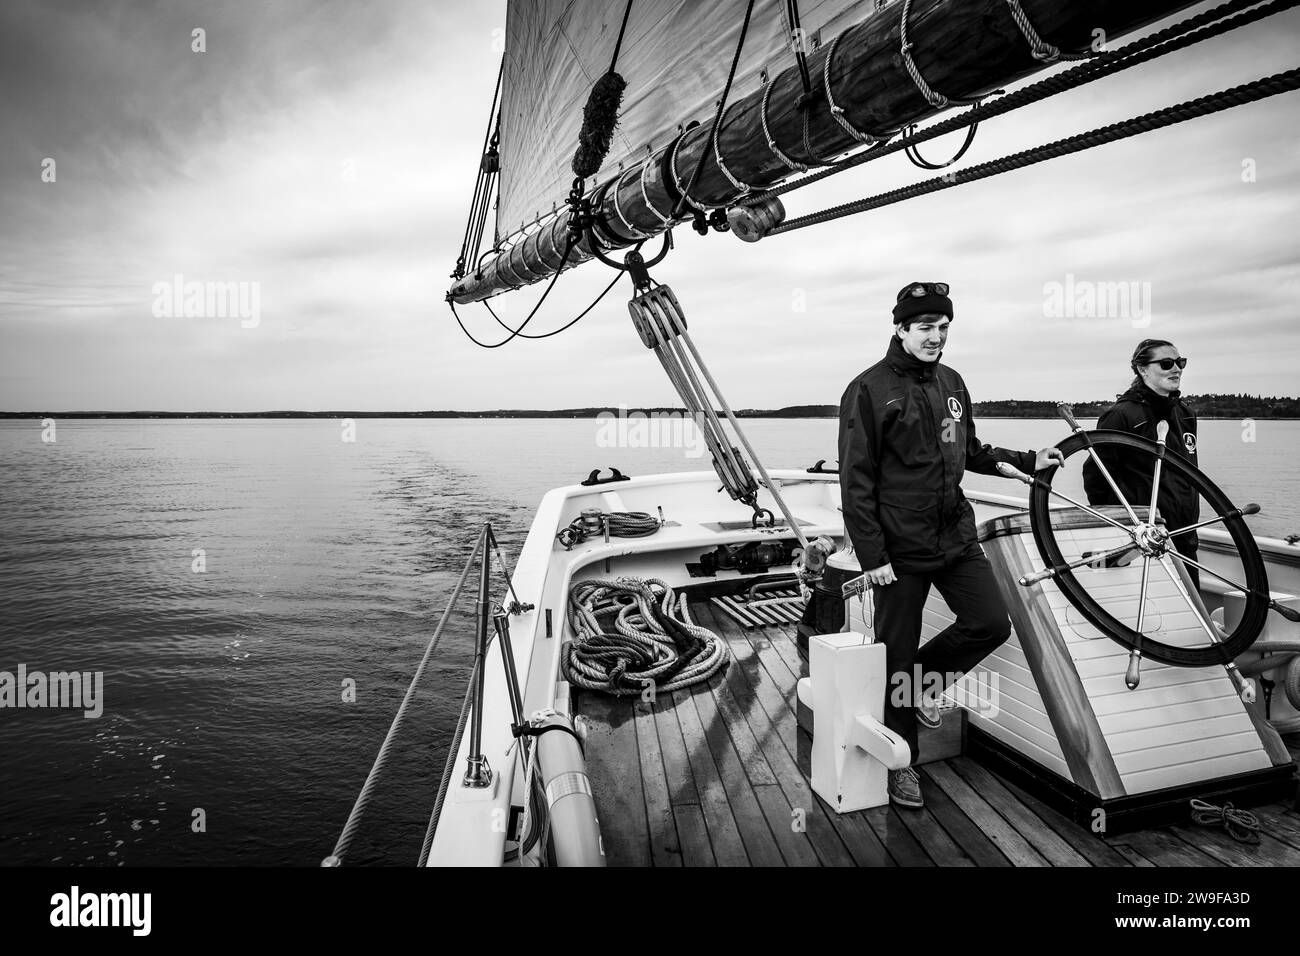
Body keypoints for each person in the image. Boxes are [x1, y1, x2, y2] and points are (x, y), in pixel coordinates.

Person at [838, 281, 1064, 810]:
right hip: (899, 551)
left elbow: (971, 448)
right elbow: (857, 480)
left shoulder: (953, 382)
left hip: (955, 536)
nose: (937, 336)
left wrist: (1030, 459)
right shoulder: (869, 390)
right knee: (895, 653)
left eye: (943, 327)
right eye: (925, 327)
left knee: (989, 623)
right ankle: (902, 763)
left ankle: (916, 691)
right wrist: (875, 560)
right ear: (899, 328)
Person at [1083, 339, 1200, 585]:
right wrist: (1122, 527)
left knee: (1194, 613)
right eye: (1167, 363)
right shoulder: (1121, 416)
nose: (1176, 369)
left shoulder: (1185, 414)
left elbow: (1190, 474)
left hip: (1184, 535)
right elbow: (1097, 477)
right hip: (1142, 538)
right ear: (1142, 369)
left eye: (1181, 362)